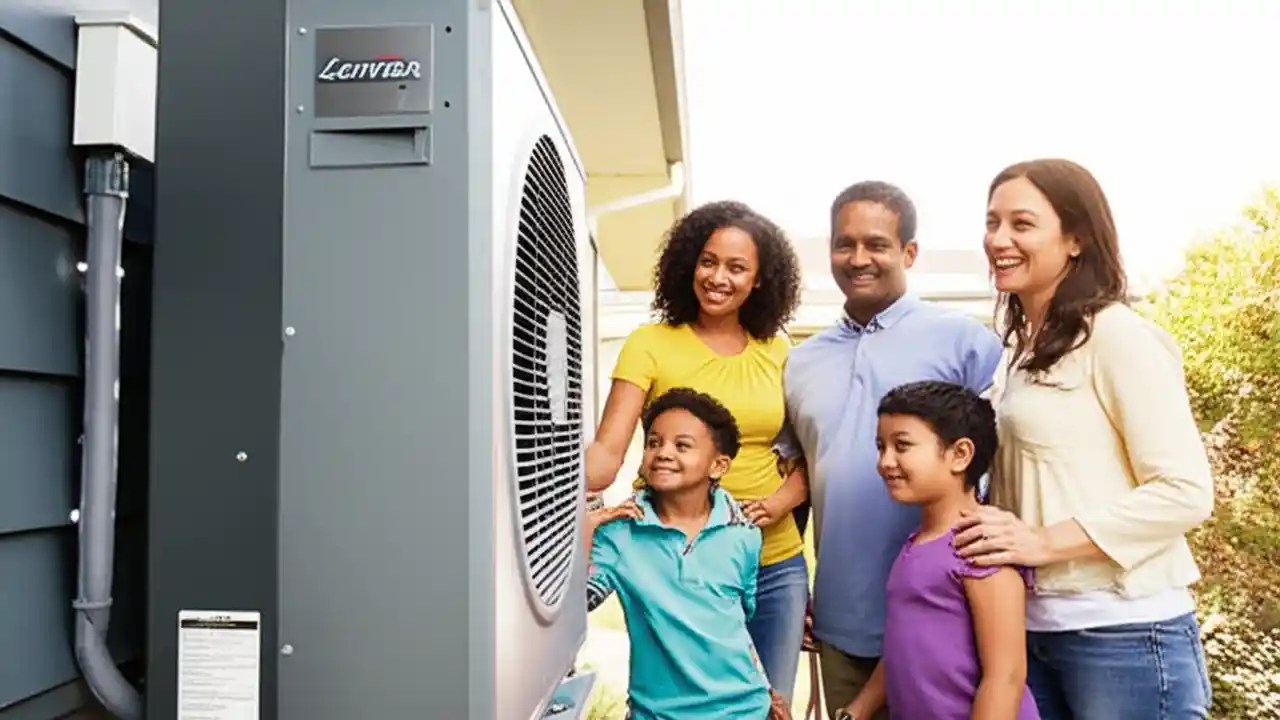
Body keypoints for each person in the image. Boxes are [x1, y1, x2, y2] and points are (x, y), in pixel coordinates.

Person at [954, 158, 1215, 719]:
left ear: (1074, 240)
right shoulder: (1022, 353)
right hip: (1037, 629)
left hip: (1127, 634)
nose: (999, 239)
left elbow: (1185, 490)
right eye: (992, 222)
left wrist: (1041, 543)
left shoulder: (1117, 336)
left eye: (1022, 224)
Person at [771, 181, 1004, 719]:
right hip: (841, 621)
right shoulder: (802, 363)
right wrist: (798, 590)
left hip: (948, 616)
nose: (858, 259)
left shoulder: (967, 343)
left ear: (910, 252)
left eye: (876, 244)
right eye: (843, 244)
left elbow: (1002, 468)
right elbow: (803, 477)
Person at [585, 200, 809, 699]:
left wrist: (777, 505)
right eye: (708, 261)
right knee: (689, 703)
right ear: (689, 264)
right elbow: (606, 454)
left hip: (773, 559)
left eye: (736, 267)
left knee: (769, 704)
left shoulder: (777, 349)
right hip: (675, 559)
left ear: (759, 280)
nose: (718, 277)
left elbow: (809, 461)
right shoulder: (649, 343)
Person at [839, 380, 1038, 720]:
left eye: (902, 446)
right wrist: (858, 709)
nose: (885, 461)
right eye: (880, 446)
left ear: (960, 454)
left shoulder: (981, 550)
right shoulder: (915, 545)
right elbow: (904, 647)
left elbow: (1005, 677)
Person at [585, 388, 774, 720]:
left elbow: (736, 624)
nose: (663, 453)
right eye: (654, 442)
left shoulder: (743, 535)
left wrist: (767, 691)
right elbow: (576, 603)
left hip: (744, 710)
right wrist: (585, 530)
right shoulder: (619, 534)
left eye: (682, 445)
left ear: (718, 465)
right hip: (658, 714)